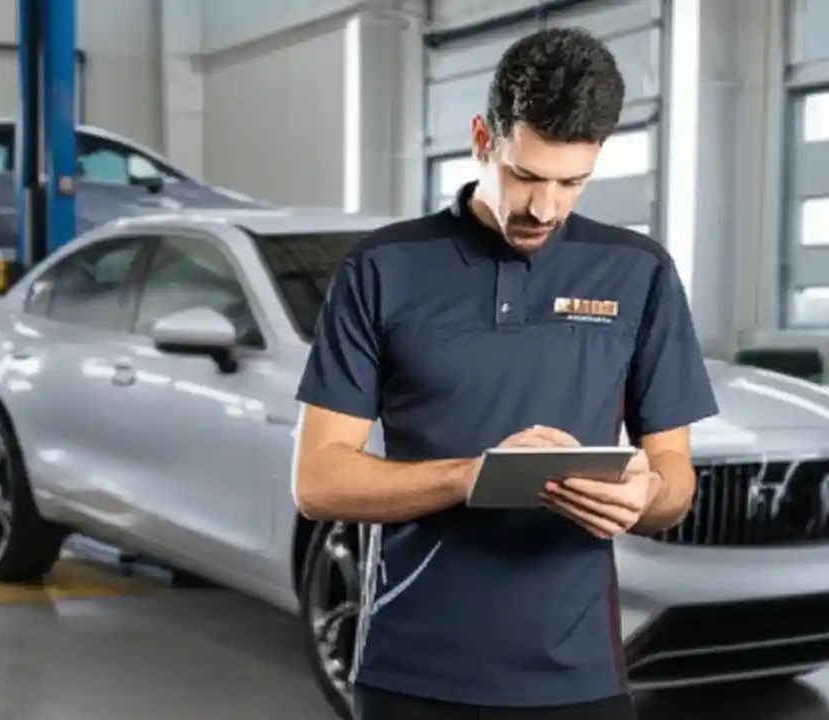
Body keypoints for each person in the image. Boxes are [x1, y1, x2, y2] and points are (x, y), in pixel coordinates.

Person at [292, 26, 717, 720]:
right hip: (409, 674)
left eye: (571, 183)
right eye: (526, 176)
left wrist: (646, 495)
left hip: (579, 679)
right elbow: (318, 481)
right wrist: (473, 475)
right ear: (483, 140)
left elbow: (675, 480)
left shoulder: (640, 274)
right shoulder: (381, 269)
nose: (544, 208)